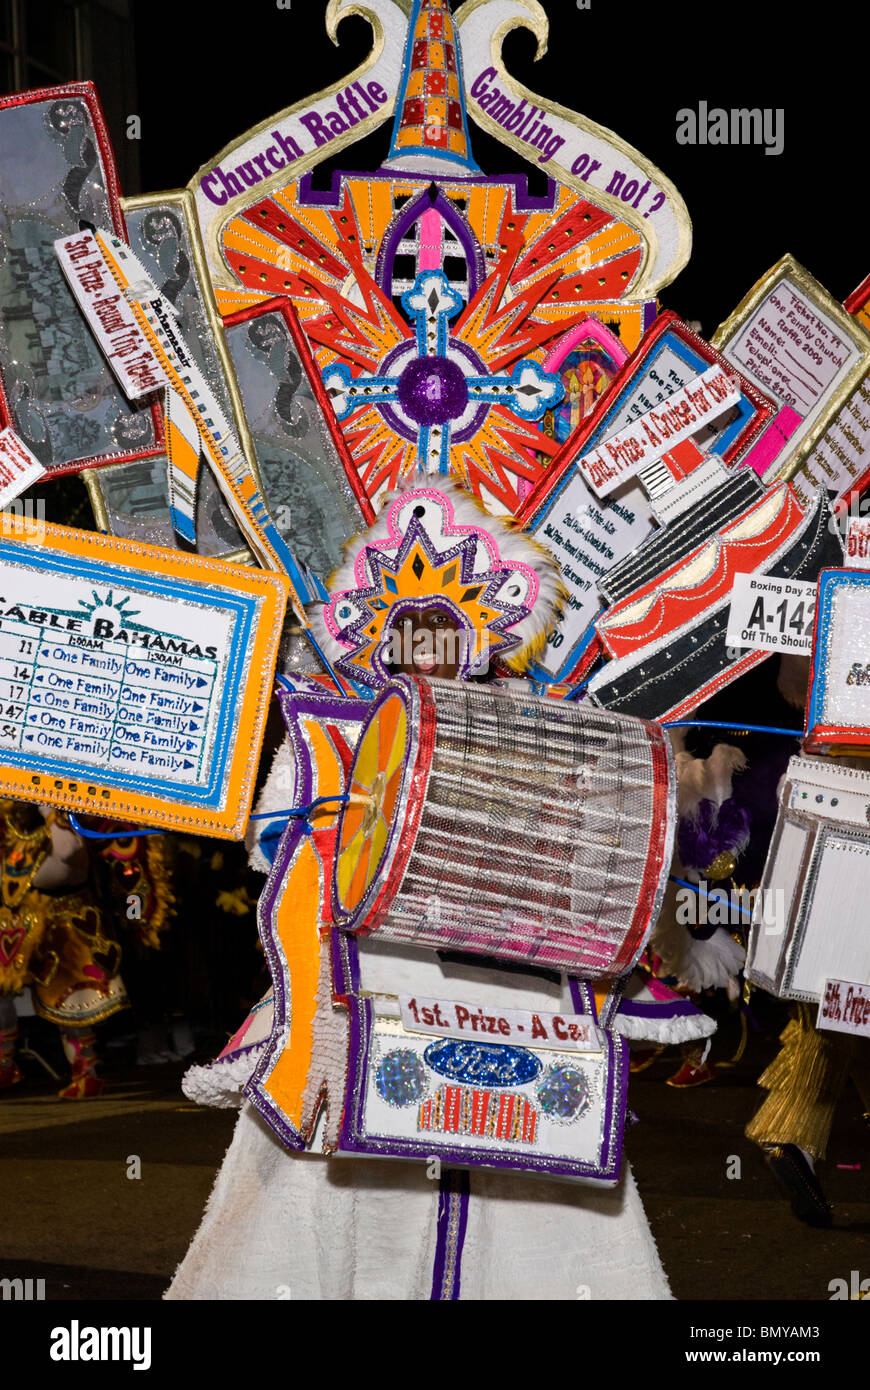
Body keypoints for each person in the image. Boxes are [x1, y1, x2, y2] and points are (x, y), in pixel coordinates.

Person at [167, 479, 675, 1300]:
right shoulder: (330, 729)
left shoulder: (531, 728)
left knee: (519, 1155)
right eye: (411, 628)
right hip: (357, 986)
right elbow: (273, 843)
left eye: (447, 629)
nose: (429, 646)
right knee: (341, 1175)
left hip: (505, 993)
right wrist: (350, 813)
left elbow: (584, 858)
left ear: (481, 637)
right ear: (378, 636)